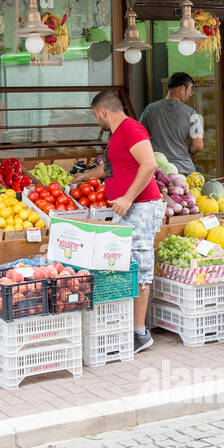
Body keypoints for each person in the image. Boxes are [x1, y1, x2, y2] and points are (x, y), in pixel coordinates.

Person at [74, 89, 165, 353]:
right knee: (125, 264)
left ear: (102, 111)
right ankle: (130, 327)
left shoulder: (131, 129)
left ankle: (140, 333)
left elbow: (149, 164)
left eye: (95, 116)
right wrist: (82, 178)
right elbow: (110, 168)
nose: (96, 121)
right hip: (129, 208)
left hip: (142, 206)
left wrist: (126, 197)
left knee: (139, 266)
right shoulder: (118, 135)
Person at [140, 71, 204, 175]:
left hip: (156, 170)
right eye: (190, 89)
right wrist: (182, 151)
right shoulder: (191, 113)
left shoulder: (150, 109)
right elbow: (198, 145)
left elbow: (139, 137)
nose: (191, 93)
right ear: (182, 89)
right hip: (183, 170)